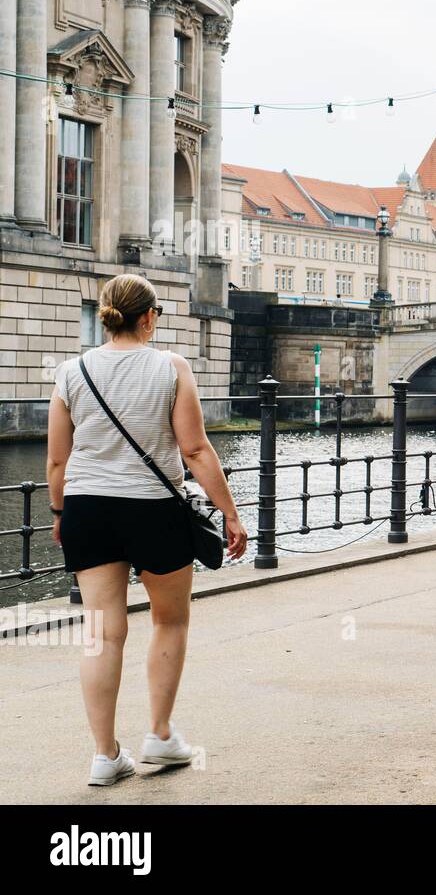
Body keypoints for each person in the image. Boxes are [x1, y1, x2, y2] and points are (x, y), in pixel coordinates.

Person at [46, 274, 248, 787]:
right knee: (170, 620)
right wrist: (230, 512)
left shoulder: (71, 372)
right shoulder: (171, 367)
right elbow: (196, 450)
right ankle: (158, 735)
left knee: (100, 632)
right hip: (153, 507)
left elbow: (56, 460)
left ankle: (105, 755)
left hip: (88, 508)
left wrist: (58, 513)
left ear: (105, 315)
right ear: (150, 316)